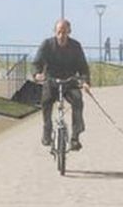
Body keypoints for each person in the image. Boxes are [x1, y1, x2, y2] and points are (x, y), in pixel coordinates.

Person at [33, 19, 92, 150]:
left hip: (70, 82)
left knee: (78, 101)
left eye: (64, 32)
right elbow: (37, 63)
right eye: (59, 32)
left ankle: (75, 137)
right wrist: (37, 74)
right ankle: (47, 130)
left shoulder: (76, 46)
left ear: (69, 32)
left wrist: (85, 82)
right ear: (55, 32)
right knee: (46, 102)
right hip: (51, 81)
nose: (61, 36)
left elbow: (83, 67)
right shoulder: (47, 44)